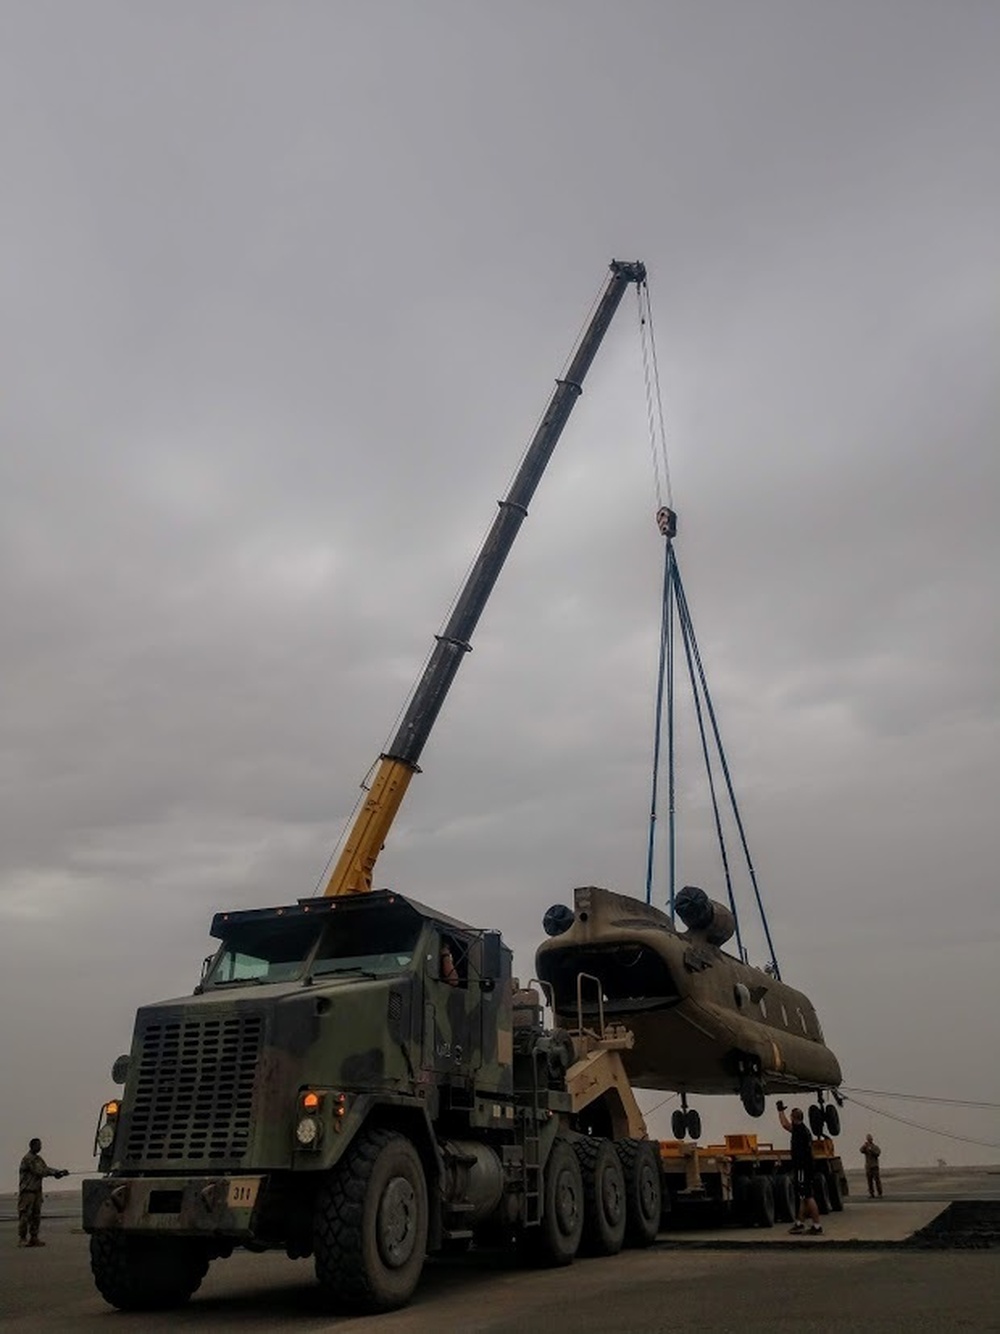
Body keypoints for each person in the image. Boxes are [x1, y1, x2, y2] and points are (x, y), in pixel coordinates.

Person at [776, 1103, 823, 1235]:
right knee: (803, 1196)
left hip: (802, 1168)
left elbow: (785, 1125)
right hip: (806, 1167)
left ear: (793, 1117)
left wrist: (780, 1111)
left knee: (808, 1196)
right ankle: (799, 1223)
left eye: (791, 1116)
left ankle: (817, 1225)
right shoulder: (804, 1130)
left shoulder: (799, 1129)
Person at [17, 1138, 68, 1248]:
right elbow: (40, 1171)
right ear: (32, 1146)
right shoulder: (28, 1159)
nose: (40, 1147)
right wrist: (56, 1174)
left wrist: (58, 1172)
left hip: (36, 1191)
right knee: (25, 1215)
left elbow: (45, 1168)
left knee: (36, 1215)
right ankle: (22, 1238)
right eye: (38, 1145)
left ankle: (34, 1238)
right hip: (27, 1191)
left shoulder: (38, 1158)